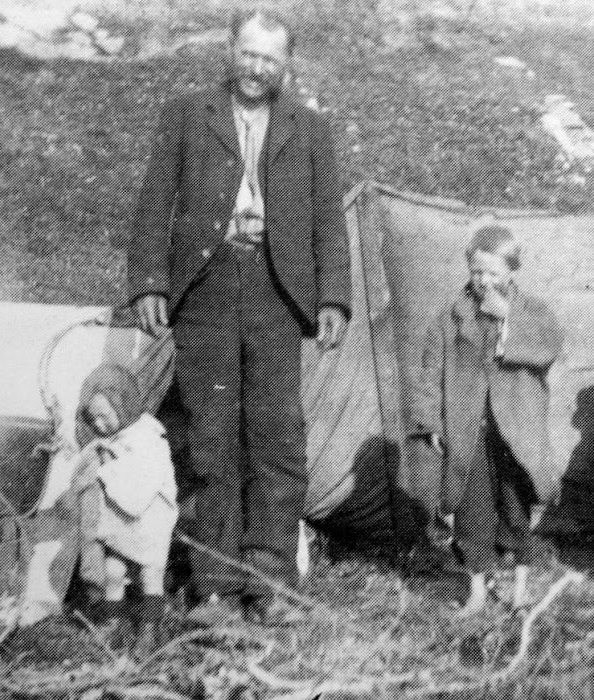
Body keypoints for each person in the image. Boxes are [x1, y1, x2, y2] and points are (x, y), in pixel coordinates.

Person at [126, 7, 350, 626]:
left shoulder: (311, 130)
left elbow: (329, 218)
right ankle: (216, 583)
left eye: (270, 60)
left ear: (287, 66)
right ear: (231, 50)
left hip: (279, 292)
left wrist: (333, 297)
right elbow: (153, 203)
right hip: (206, 287)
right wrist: (150, 282)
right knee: (210, 436)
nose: (257, 69)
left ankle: (269, 580)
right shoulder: (186, 113)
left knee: (277, 435)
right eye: (248, 55)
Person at [409, 225, 565, 615]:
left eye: (493, 273)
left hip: (515, 425)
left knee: (516, 503)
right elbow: (429, 371)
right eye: (477, 272)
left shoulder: (531, 312)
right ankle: (477, 590)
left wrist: (508, 318)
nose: (483, 281)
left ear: (512, 271)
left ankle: (519, 587)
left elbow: (548, 347)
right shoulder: (452, 315)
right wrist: (430, 422)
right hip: (468, 426)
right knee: (471, 506)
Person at [55, 365, 177, 652]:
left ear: (123, 405)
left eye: (104, 416)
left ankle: (150, 625)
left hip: (149, 516)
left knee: (150, 572)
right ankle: (115, 622)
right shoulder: (112, 439)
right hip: (122, 518)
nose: (99, 425)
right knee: (113, 569)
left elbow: (143, 480)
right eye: (93, 418)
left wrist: (107, 470)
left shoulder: (147, 436)